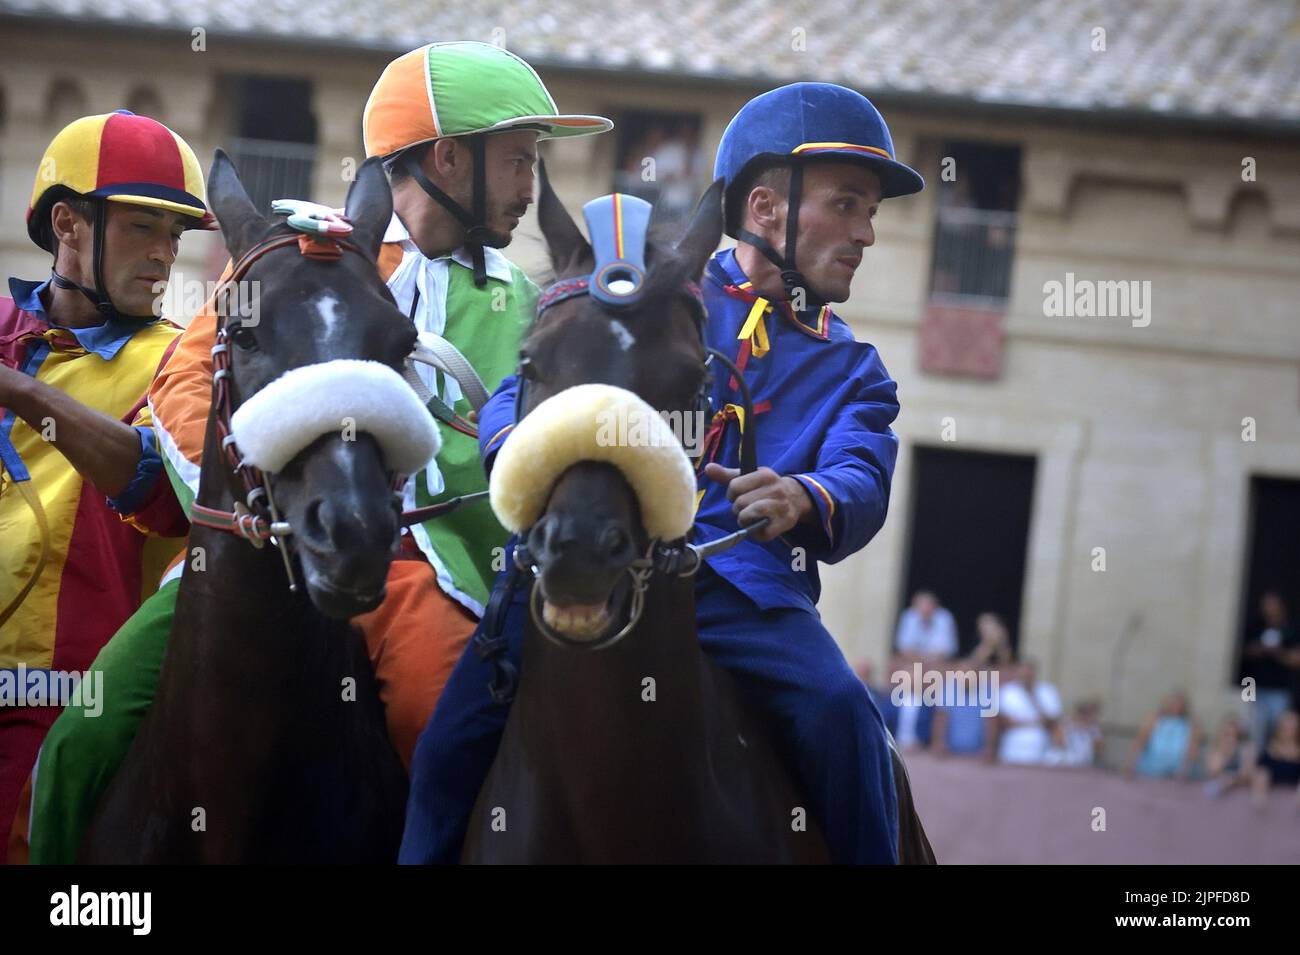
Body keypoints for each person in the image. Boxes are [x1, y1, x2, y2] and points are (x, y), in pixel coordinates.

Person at [26, 42, 612, 864]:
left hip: (439, 580)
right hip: (263, 553)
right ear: (449, 157)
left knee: (437, 724)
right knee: (80, 739)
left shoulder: (529, 303)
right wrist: (257, 504)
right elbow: (185, 388)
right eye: (518, 159)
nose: (530, 185)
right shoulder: (300, 259)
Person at [401, 82, 926, 864]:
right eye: (847, 205)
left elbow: (862, 475)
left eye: (869, 213)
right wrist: (517, 443)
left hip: (750, 593)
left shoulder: (857, 371)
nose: (866, 233)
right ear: (765, 206)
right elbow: (529, 383)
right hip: (600, 557)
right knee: (447, 740)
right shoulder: (655, 292)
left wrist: (803, 494)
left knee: (848, 717)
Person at [0, 110, 213, 858]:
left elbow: (158, 488)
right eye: (142, 228)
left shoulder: (182, 357)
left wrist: (21, 394)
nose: (165, 255)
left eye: (175, 236)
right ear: (68, 222)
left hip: (67, 696)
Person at [1241, 591, 1299, 749]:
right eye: (1266, 605)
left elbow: (1296, 658)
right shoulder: (1255, 625)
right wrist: (1260, 649)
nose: (1269, 609)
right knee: (1252, 729)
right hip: (1252, 685)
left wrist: (1277, 652)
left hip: (1280, 689)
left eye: (1272, 605)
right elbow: (1244, 650)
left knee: (1278, 730)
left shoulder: (1291, 628)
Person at [990, 659, 1063, 765]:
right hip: (1012, 749)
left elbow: (1053, 721)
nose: (1026, 674)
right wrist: (1038, 722)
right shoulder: (1007, 691)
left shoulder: (1047, 690)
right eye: (1023, 671)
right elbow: (1004, 722)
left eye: (1029, 671)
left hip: (1041, 749)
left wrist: (1032, 696)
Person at [1125, 690, 1201, 780]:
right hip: (1153, 763)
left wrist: (1185, 767)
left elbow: (1193, 746)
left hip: (1178, 764)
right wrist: (1130, 763)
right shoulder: (1155, 719)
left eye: (1179, 704)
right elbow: (1140, 742)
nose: (1176, 707)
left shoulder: (1190, 723)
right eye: (1173, 703)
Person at [1247, 709, 1300, 810]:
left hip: (1295, 804)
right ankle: (1259, 803)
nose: (1289, 731)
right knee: (1262, 773)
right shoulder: (1269, 751)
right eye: (1285, 727)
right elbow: (1256, 772)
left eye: (1292, 728)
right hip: (1269, 802)